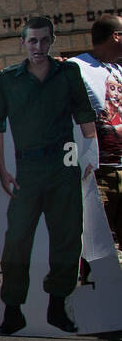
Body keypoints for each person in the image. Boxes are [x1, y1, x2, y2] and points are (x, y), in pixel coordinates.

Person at [0, 16, 97, 334]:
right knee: (17, 240)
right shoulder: (8, 79)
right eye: (32, 40)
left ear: (52, 41)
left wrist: (90, 156)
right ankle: (12, 309)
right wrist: (2, 169)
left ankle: (57, 305)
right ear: (23, 43)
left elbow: (84, 115)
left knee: (67, 237)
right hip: (27, 169)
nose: (38, 46)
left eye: (44, 40)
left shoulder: (68, 73)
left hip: (64, 165)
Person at [69, 15, 122, 249]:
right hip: (97, 174)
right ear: (116, 36)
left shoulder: (118, 70)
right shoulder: (76, 68)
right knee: (96, 246)